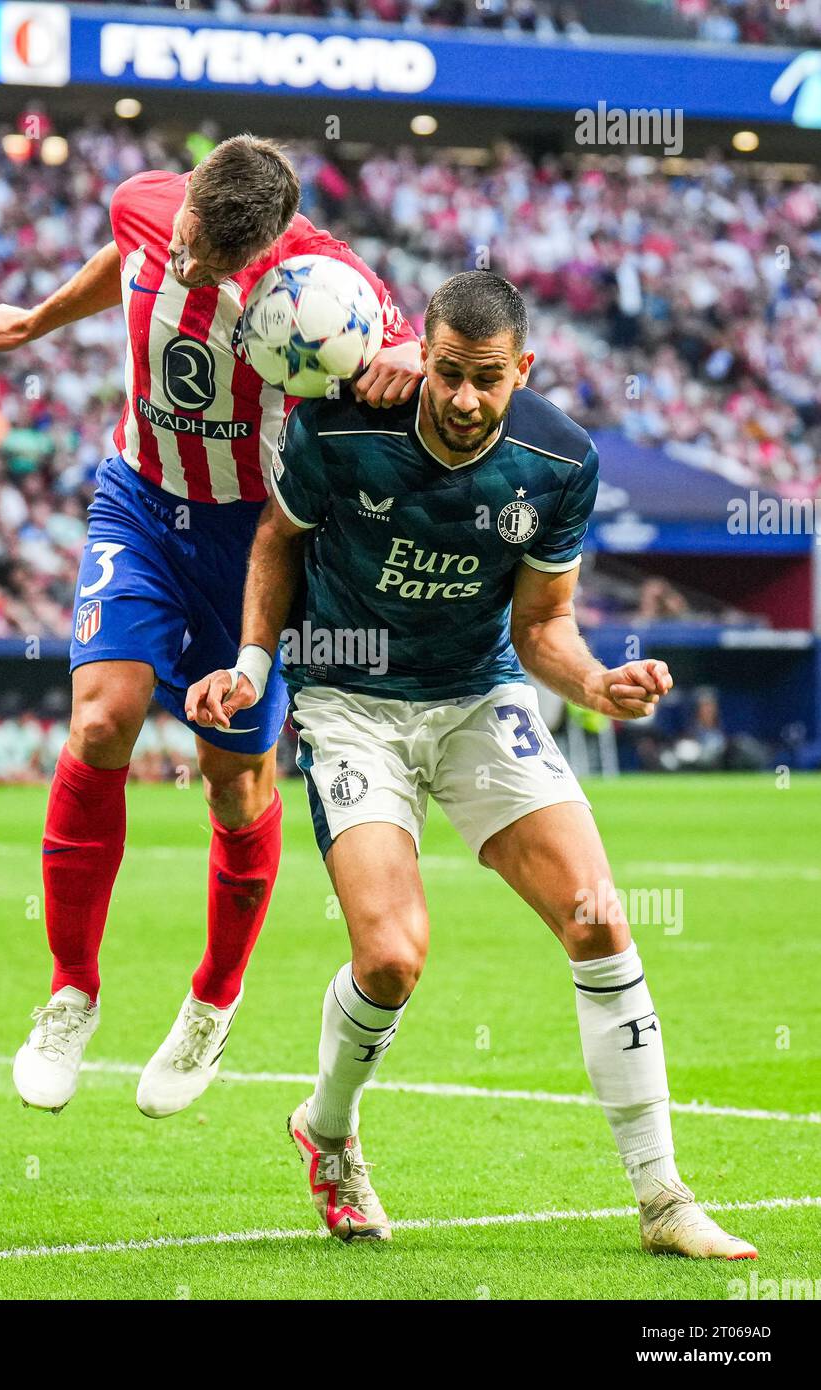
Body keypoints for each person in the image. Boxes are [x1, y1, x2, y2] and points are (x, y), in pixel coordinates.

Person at [186, 271, 756, 1259]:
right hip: (351, 702)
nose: (460, 399)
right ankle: (327, 1128)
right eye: (444, 373)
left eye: (485, 380)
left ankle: (663, 1199)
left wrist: (595, 685)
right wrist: (250, 663)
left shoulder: (557, 460)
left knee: (598, 918)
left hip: (477, 697)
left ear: (520, 370)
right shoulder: (340, 429)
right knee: (391, 958)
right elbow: (279, 539)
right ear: (423, 359)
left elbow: (542, 625)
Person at [0, 135, 421, 1117]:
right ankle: (71, 988)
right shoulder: (147, 203)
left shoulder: (327, 281)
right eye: (190, 238)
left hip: (249, 541)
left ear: (270, 242)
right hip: (138, 497)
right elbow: (124, 264)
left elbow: (405, 347)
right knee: (98, 719)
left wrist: (411, 355)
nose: (191, 260)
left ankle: (212, 997)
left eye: (216, 258)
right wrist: (36, 322)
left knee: (233, 781)